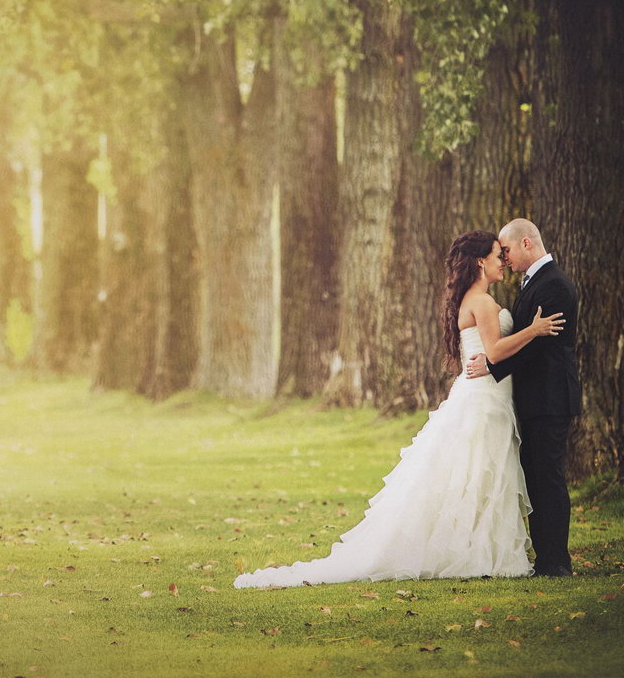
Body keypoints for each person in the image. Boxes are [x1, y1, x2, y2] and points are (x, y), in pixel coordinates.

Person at [234, 230, 563, 587]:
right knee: (480, 475)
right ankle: (476, 551)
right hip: (484, 400)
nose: (504, 260)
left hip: (486, 395)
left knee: (479, 476)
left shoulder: (474, 299)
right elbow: (496, 352)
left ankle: (475, 548)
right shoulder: (482, 303)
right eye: (498, 254)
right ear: (481, 261)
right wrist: (534, 330)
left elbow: (489, 354)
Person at [464, 218, 581, 577]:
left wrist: (494, 366)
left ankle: (556, 561)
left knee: (547, 476)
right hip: (533, 398)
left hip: (550, 398)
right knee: (535, 475)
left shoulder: (555, 285)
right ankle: (544, 557)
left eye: (508, 250)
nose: (506, 258)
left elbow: (540, 345)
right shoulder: (534, 282)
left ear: (527, 244)